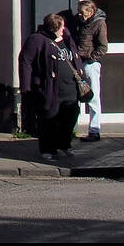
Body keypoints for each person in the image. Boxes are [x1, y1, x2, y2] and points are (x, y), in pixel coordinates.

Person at [18, 12, 83, 160]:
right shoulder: (37, 39)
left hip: (70, 88)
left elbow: (75, 57)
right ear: (53, 27)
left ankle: (64, 144)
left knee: (71, 115)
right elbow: (25, 61)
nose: (63, 29)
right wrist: (26, 86)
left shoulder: (66, 37)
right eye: (61, 27)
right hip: (50, 88)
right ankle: (48, 148)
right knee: (49, 118)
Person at [69, 0, 107, 142]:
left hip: (90, 64)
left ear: (90, 12)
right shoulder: (80, 22)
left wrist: (91, 59)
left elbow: (103, 47)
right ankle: (72, 129)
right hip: (78, 62)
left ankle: (94, 130)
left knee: (93, 97)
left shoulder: (99, 23)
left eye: (82, 13)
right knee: (75, 96)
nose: (79, 15)